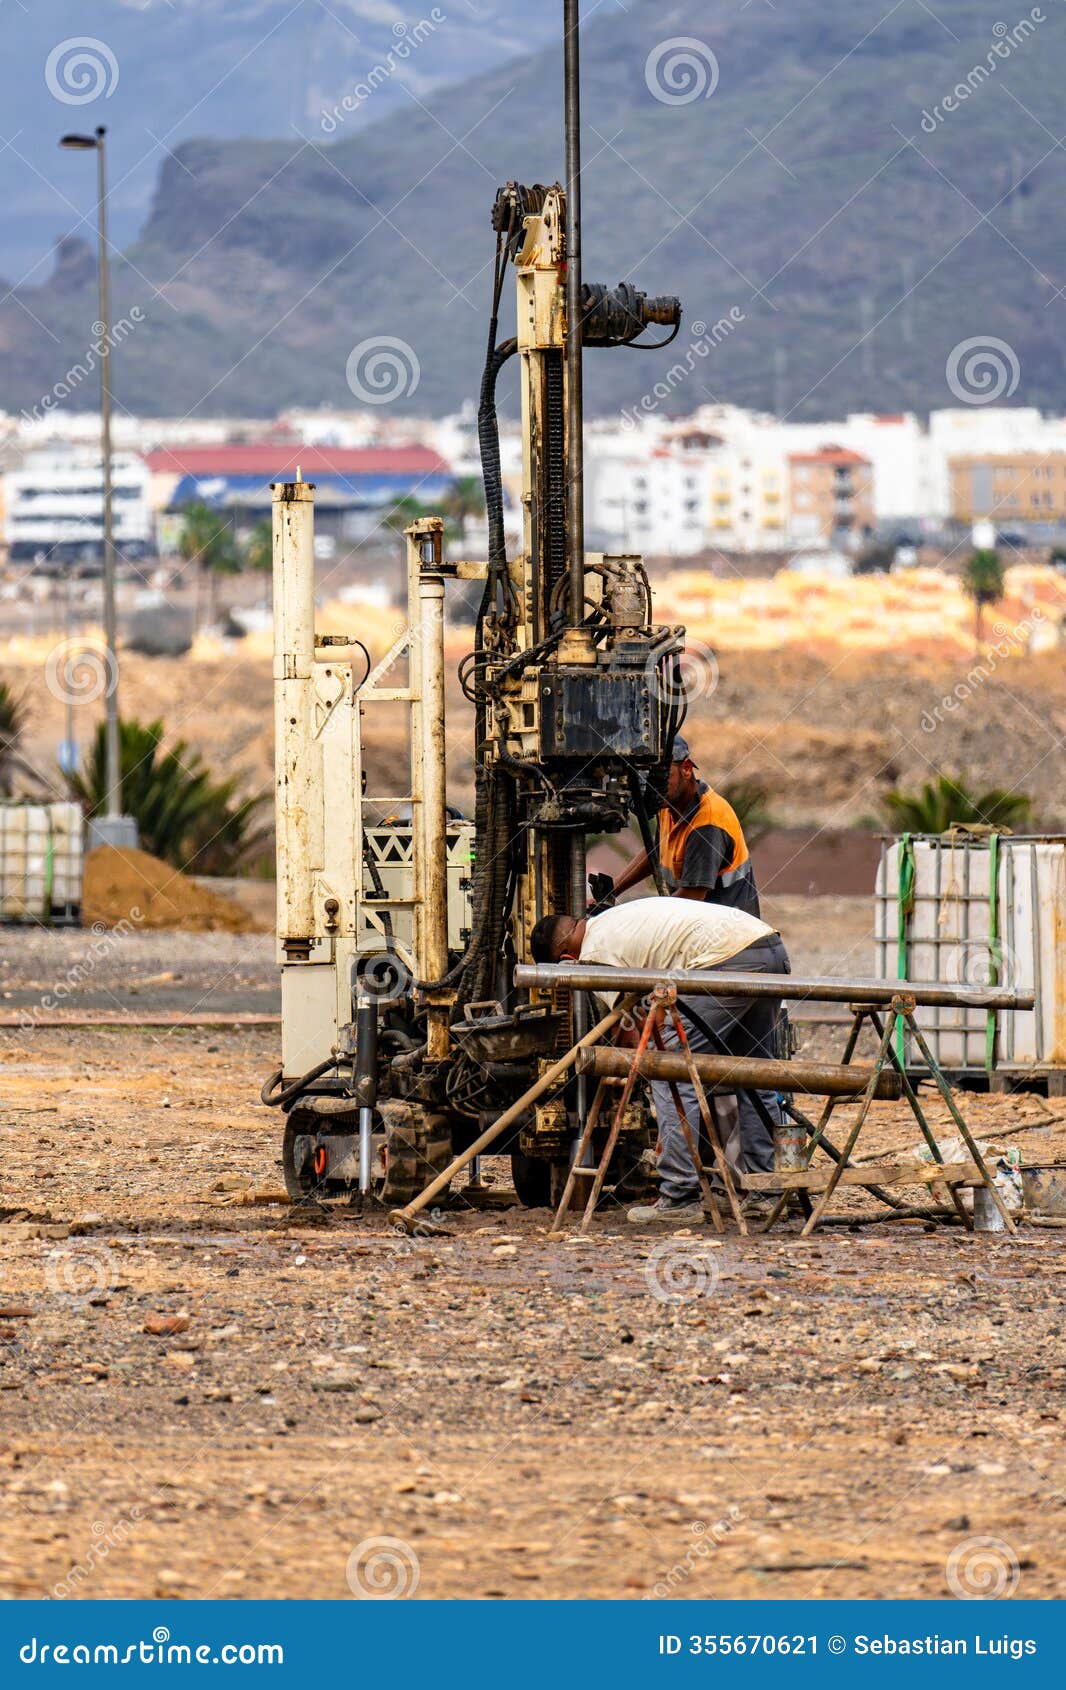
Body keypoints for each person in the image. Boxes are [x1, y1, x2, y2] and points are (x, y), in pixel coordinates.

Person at [530, 898, 791, 1224]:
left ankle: (679, 1195)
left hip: (728, 960)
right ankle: (766, 1193)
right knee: (753, 1072)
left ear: (567, 959)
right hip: (769, 948)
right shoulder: (612, 921)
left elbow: (634, 1032)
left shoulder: (596, 952)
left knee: (667, 1070)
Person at [610, 735, 760, 915]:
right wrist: (611, 892)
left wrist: (637, 916)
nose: (653, 786)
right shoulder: (668, 804)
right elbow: (656, 850)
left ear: (687, 769)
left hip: (729, 935)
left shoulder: (707, 823)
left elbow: (690, 899)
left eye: (662, 775)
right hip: (701, 926)